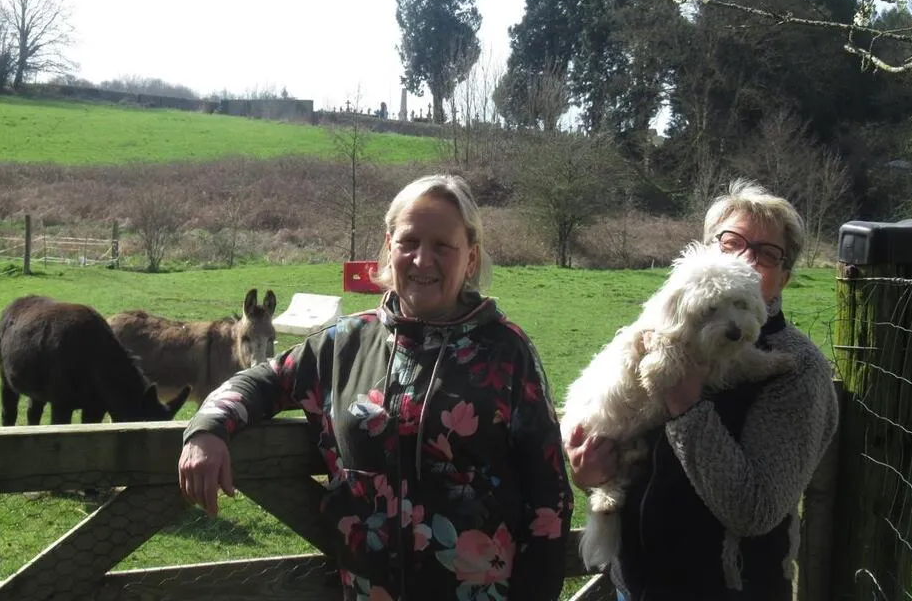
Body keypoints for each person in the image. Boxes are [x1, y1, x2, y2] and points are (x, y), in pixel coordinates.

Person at [179, 173, 573, 601]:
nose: (423, 260)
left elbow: (548, 500)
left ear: (471, 258)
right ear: (389, 248)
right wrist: (207, 431)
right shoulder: (344, 344)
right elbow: (262, 380)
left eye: (443, 246)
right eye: (409, 242)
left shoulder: (506, 353)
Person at [564, 179, 838, 600]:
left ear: (783, 278)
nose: (746, 258)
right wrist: (589, 474)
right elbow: (625, 424)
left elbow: (756, 509)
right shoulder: (672, 327)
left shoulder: (798, 370)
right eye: (731, 242)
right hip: (634, 585)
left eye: (767, 253)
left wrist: (686, 403)